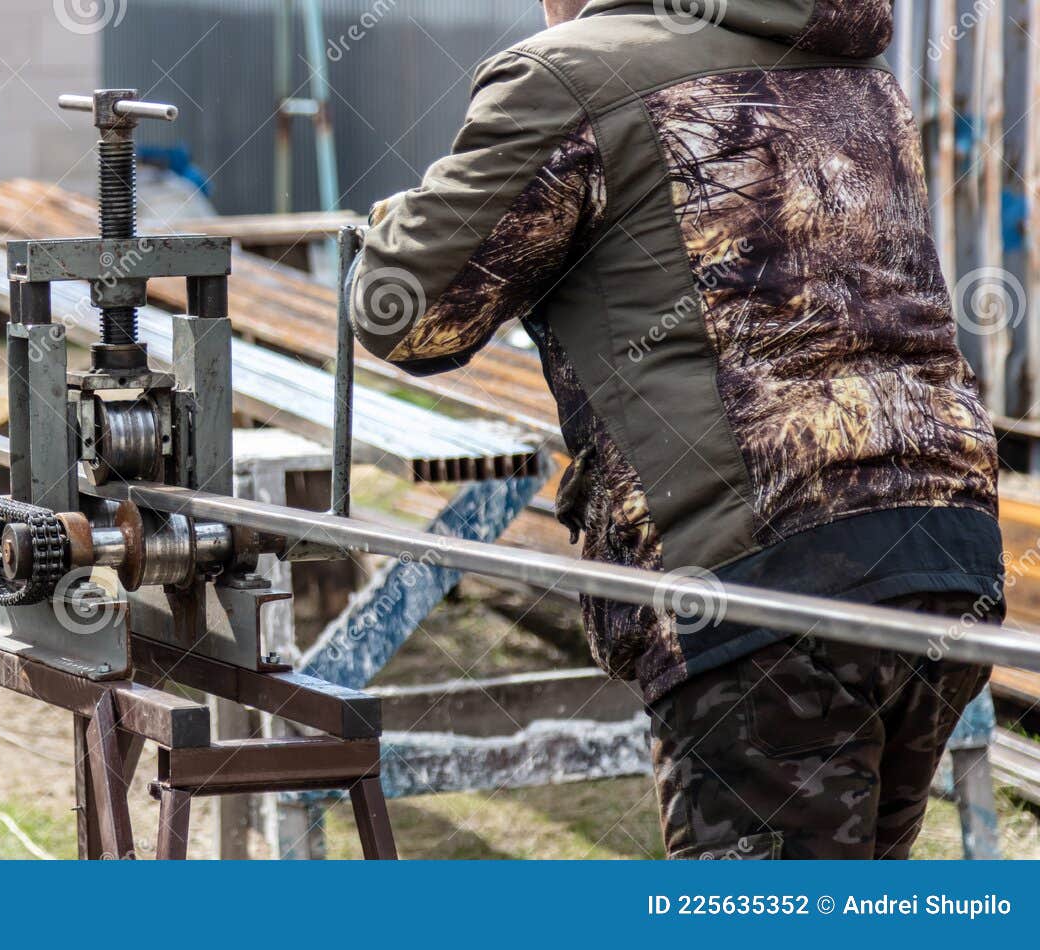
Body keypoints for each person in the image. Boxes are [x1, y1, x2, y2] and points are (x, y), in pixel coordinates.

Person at [349, 0, 1004, 859]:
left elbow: (404, 311)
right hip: (944, 554)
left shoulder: (566, 76)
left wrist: (394, 220)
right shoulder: (854, 68)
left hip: (762, 584)